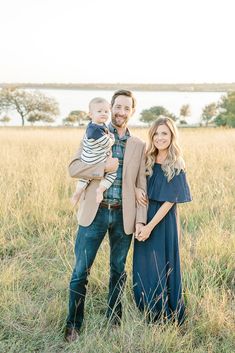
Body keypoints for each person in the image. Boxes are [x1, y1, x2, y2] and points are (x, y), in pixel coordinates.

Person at [65, 90, 147, 343]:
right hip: (95, 213)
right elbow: (74, 168)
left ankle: (114, 318)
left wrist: (141, 220)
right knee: (80, 271)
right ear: (110, 108)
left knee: (118, 270)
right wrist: (103, 168)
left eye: (126, 108)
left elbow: (141, 185)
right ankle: (73, 324)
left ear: (132, 111)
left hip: (124, 217)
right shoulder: (95, 132)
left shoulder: (138, 145)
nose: (121, 112)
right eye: (117, 107)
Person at [133, 117, 192, 325]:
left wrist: (150, 226)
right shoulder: (147, 159)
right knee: (144, 262)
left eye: (164, 133)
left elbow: (170, 200)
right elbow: (136, 183)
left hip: (163, 220)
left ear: (172, 136)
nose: (159, 138)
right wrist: (140, 222)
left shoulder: (176, 163)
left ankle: (168, 310)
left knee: (164, 262)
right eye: (156, 133)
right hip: (144, 215)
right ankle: (148, 307)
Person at [71, 97, 116, 205]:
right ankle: (100, 190)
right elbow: (107, 143)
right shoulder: (95, 130)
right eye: (99, 111)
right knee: (112, 174)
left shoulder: (95, 126)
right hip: (95, 160)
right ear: (91, 114)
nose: (104, 114)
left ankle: (77, 192)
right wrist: (112, 138)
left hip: (88, 159)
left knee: (85, 178)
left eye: (106, 111)